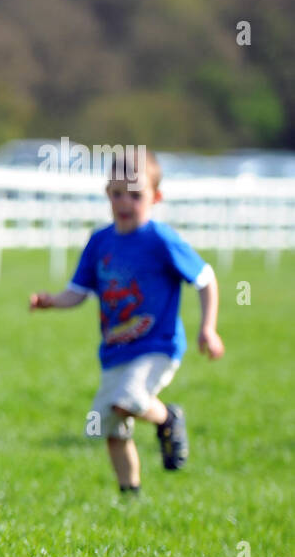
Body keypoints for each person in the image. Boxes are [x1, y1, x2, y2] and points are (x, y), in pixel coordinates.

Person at [29, 150, 225, 494]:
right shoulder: (100, 242)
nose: (125, 202)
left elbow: (206, 278)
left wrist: (207, 328)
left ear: (156, 197)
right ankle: (129, 495)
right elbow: (78, 291)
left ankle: (167, 418)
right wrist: (52, 302)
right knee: (110, 427)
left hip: (157, 346)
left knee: (127, 400)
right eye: (118, 193)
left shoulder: (160, 240)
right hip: (115, 351)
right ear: (107, 193)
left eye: (136, 195)